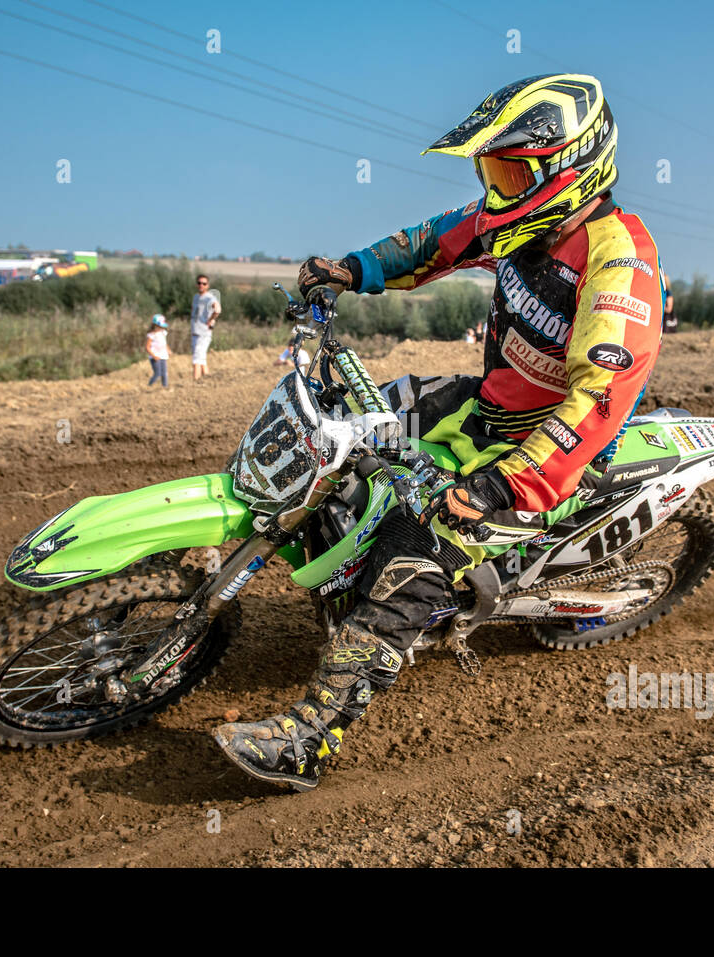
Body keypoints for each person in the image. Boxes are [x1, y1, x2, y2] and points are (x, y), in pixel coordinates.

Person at [215, 73, 664, 791]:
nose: (496, 186)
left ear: (572, 167)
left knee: (412, 558)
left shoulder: (619, 261)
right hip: (483, 402)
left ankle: (310, 740)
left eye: (510, 169)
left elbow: (599, 397)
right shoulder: (522, 219)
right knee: (352, 425)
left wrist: (498, 484)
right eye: (492, 168)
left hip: (540, 449)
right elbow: (433, 243)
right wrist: (351, 269)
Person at [190, 275, 221, 380]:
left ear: (208, 285)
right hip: (195, 331)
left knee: (196, 360)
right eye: (199, 283)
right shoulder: (196, 297)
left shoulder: (209, 298)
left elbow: (217, 309)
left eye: (204, 283)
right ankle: (207, 382)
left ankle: (195, 382)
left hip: (203, 332)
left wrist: (211, 320)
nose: (201, 285)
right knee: (201, 359)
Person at [146, 314, 170, 390]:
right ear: (155, 325)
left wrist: (168, 349)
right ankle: (149, 386)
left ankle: (165, 387)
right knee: (157, 373)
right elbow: (147, 347)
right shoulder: (152, 335)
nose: (162, 327)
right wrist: (154, 356)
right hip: (155, 357)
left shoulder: (163, 333)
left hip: (163, 356)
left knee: (164, 373)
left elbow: (164, 343)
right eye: (160, 326)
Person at [660, 268, 678, 333]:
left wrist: (660, 307)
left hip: (666, 321)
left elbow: (669, 309)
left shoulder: (668, 293)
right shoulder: (661, 292)